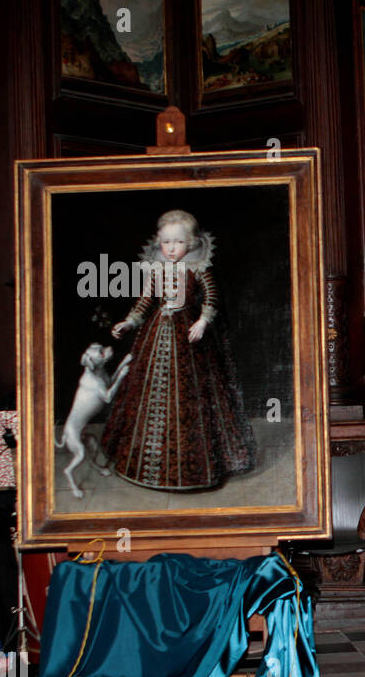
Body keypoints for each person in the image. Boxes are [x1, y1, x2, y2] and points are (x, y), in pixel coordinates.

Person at [102, 209, 256, 491]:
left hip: (188, 336)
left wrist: (202, 321)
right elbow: (145, 301)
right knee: (147, 393)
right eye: (166, 242)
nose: (171, 248)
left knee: (189, 396)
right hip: (157, 330)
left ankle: (194, 470)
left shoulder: (198, 268)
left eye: (178, 242)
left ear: (192, 243)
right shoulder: (156, 269)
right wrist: (129, 322)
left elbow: (211, 297)